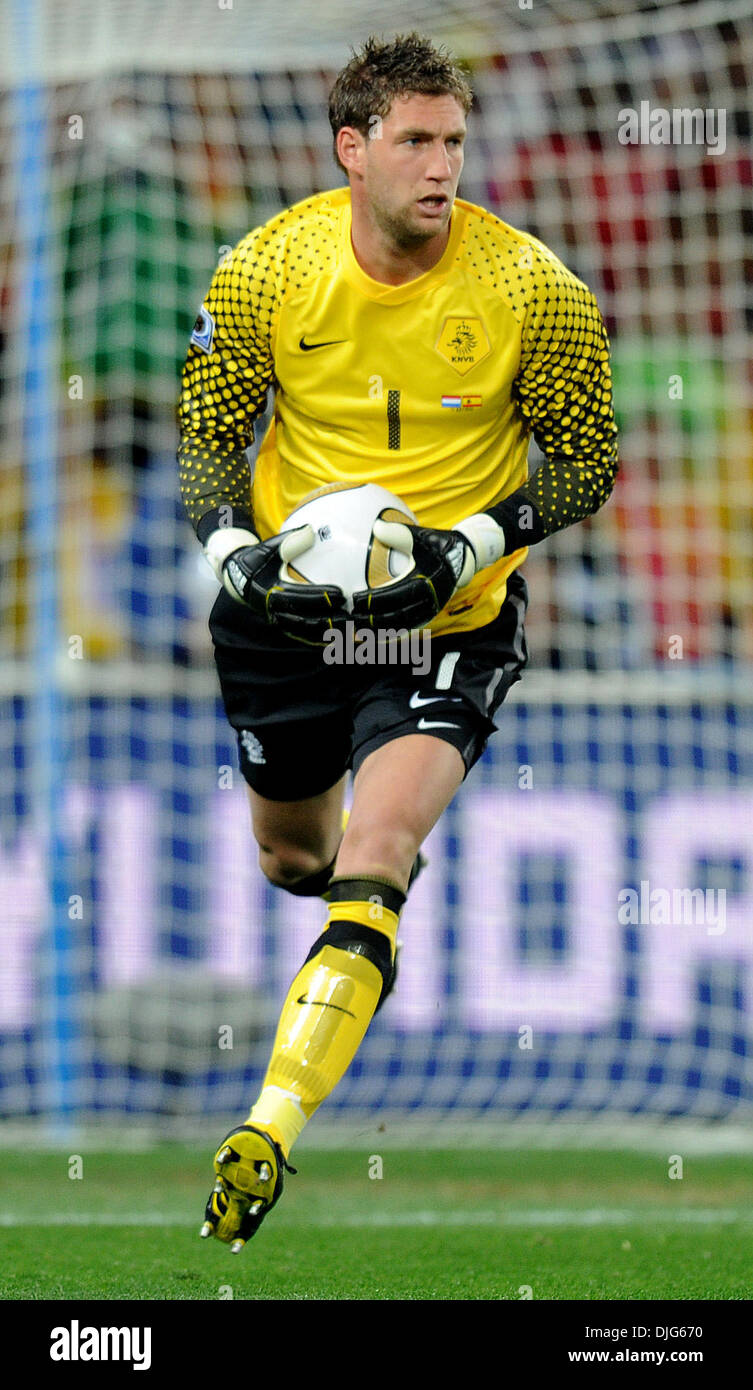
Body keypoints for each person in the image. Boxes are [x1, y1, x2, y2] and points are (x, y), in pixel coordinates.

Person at [177, 32, 618, 1252]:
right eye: (416, 140)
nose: (441, 167)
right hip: (288, 618)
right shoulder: (266, 270)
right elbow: (209, 436)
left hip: (448, 622)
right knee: (294, 860)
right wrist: (233, 554)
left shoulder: (534, 289)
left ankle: (267, 1128)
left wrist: (471, 545)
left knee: (378, 851)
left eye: (454, 141)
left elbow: (587, 461)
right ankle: (357, 928)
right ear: (352, 149)